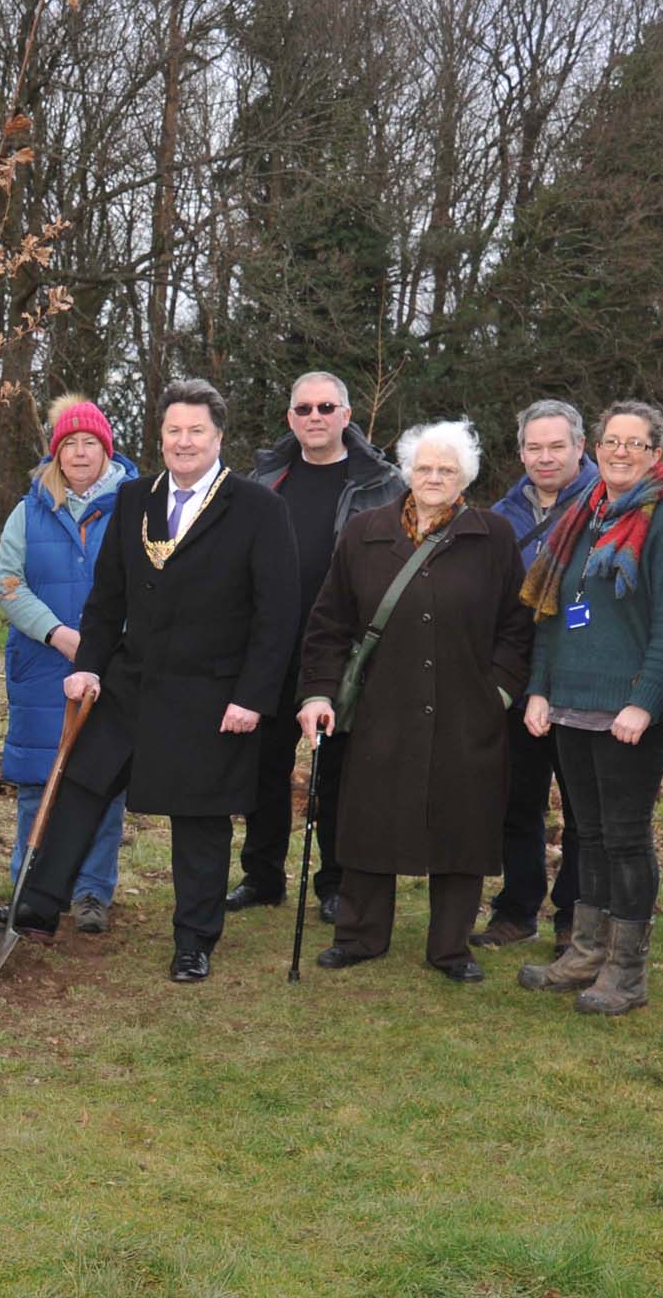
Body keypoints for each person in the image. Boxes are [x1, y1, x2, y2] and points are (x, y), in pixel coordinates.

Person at [0, 378, 301, 984]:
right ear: (160, 436)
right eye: (173, 430)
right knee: (80, 784)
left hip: (212, 694)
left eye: (196, 430)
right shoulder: (135, 499)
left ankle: (193, 941)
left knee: (197, 822)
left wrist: (252, 698)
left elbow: (278, 616)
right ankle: (39, 908)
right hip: (131, 683)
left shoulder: (257, 508)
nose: (184, 441)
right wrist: (88, 666)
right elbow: (108, 597)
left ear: (218, 437)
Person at [299, 419, 531, 983]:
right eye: (424, 467)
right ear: (407, 472)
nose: (433, 477)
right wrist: (318, 692)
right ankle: (359, 935)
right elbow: (329, 623)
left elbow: (517, 626)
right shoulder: (364, 532)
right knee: (369, 819)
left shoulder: (493, 535)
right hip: (382, 705)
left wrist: (497, 691)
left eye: (446, 470)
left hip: (465, 710)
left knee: (463, 824)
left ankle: (450, 947)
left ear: (465, 478)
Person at [515, 401, 663, 1013]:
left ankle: (626, 971)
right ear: (596, 448)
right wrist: (541, 687)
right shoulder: (581, 519)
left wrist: (644, 703)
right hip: (572, 704)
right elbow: (559, 613)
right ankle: (586, 951)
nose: (620, 452)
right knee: (584, 834)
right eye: (611, 441)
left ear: (655, 454)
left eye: (635, 444)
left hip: (630, 713)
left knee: (623, 836)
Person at [227, 371, 403, 926]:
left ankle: (335, 880)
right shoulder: (265, 478)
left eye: (326, 407)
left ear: (347, 416)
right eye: (303, 409)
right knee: (264, 764)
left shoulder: (384, 483)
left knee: (337, 771)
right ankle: (261, 875)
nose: (315, 417)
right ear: (290, 419)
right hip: (271, 644)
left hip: (345, 650)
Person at [0, 396, 137, 933]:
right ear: (55, 453)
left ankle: (92, 892)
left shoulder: (135, 507)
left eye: (90, 443)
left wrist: (104, 643)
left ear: (107, 449)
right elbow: (7, 583)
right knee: (36, 778)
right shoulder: (29, 510)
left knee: (101, 778)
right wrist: (57, 632)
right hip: (41, 664)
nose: (80, 453)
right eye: (69, 444)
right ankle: (27, 889)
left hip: (113, 667)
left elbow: (147, 586)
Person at [474, 399, 597, 951]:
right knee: (516, 799)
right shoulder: (500, 517)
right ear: (520, 451)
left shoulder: (609, 507)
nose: (545, 458)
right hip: (518, 679)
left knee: (582, 806)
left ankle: (576, 912)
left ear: (580, 446)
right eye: (534, 447)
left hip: (584, 680)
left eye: (557, 446)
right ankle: (516, 908)